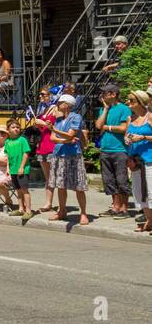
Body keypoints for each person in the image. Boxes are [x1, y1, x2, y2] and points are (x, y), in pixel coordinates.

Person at [46, 93, 88, 225]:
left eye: (60, 103)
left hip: (73, 155)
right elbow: (53, 138)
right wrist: (64, 141)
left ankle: (83, 213)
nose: (57, 105)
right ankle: (62, 211)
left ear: (67, 105)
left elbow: (71, 135)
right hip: (59, 154)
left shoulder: (76, 117)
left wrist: (55, 131)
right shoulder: (58, 120)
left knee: (78, 185)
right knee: (60, 185)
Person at [94, 82, 131, 216]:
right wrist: (104, 110)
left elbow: (123, 128)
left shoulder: (124, 109)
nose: (102, 95)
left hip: (120, 149)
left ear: (113, 94)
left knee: (121, 179)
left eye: (105, 93)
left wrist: (107, 127)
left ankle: (124, 208)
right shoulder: (103, 109)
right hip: (105, 149)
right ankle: (115, 207)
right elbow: (98, 125)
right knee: (108, 180)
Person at [124, 90, 152, 232]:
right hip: (135, 161)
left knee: (151, 191)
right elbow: (126, 135)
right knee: (139, 192)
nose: (128, 102)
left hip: (149, 160)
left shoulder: (150, 117)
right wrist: (127, 139)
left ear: (140, 102)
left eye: (131, 100)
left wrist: (143, 138)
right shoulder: (131, 118)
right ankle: (149, 221)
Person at [31, 90, 61, 212]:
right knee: (48, 177)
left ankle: (61, 204)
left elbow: (56, 127)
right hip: (42, 144)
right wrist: (38, 125)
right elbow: (42, 128)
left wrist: (42, 123)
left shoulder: (56, 109)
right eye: (40, 94)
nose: (41, 96)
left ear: (51, 96)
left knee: (56, 176)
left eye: (43, 94)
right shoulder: (43, 109)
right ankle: (48, 203)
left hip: (51, 145)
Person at [3, 119, 33, 217]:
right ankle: (21, 209)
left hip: (22, 169)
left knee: (24, 189)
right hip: (13, 169)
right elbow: (7, 156)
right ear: (8, 130)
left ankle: (28, 211)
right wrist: (8, 168)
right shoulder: (7, 141)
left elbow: (26, 153)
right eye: (13, 127)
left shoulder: (22, 140)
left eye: (17, 127)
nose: (16, 129)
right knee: (18, 190)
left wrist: (21, 167)